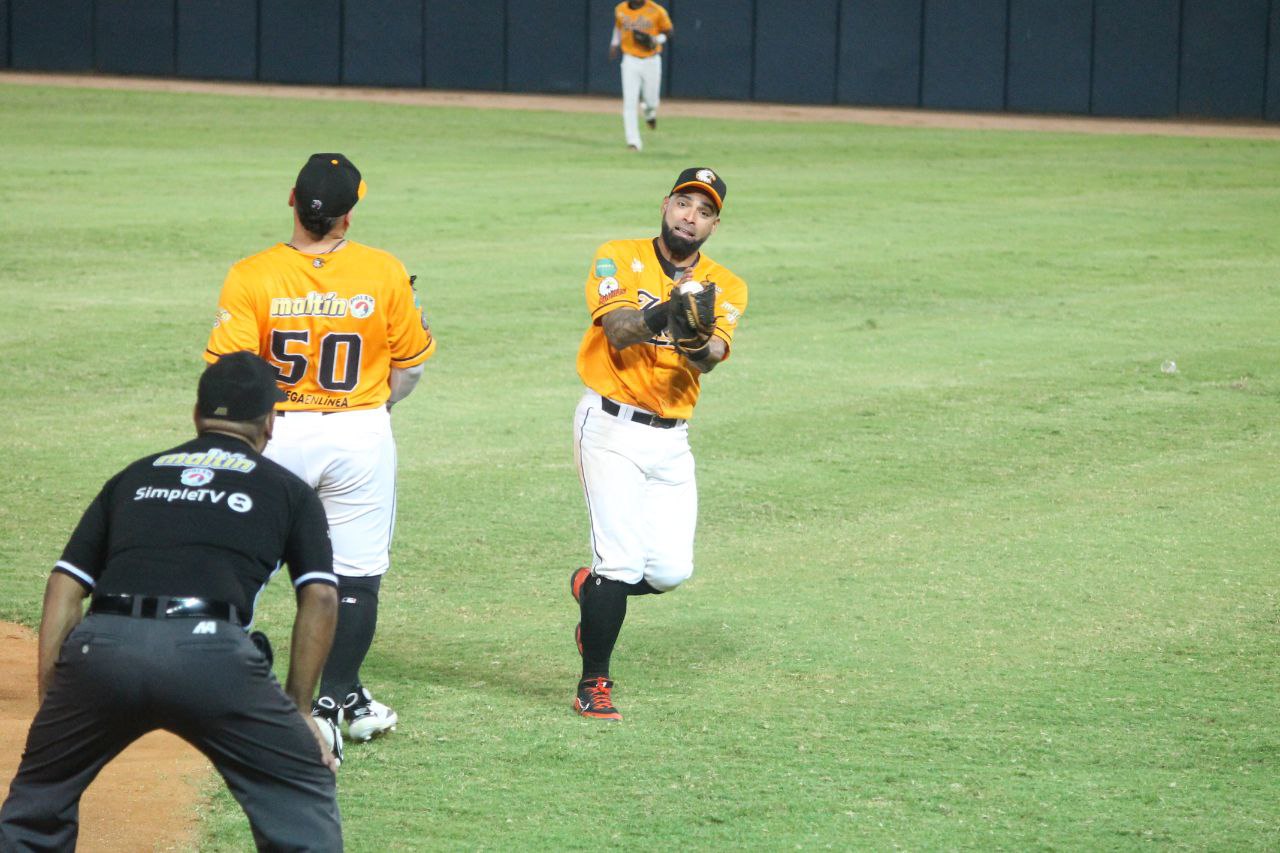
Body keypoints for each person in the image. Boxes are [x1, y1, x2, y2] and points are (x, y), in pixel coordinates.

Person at [0, 352, 342, 852]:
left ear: (197, 414)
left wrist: (57, 695)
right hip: (213, 660)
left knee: (38, 799)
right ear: (270, 421)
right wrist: (300, 710)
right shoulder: (288, 490)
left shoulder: (133, 476)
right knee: (299, 787)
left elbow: (65, 585)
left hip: (105, 651)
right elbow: (322, 597)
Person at [203, 153, 436, 748]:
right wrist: (375, 408)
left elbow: (229, 374)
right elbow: (409, 367)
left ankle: (221, 691)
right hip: (358, 432)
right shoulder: (383, 272)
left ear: (291, 199)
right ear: (348, 216)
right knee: (354, 577)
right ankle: (332, 704)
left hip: (273, 435)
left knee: (242, 565)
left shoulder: (251, 274)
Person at [570, 167, 748, 719]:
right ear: (666, 205)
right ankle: (593, 682)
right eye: (684, 203)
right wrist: (668, 311)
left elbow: (711, 359)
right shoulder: (616, 255)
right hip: (610, 426)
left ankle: (593, 591)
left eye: (704, 210)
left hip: (672, 438)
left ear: (715, 225)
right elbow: (619, 331)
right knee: (620, 561)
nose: (690, 216)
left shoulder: (728, 284)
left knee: (669, 571)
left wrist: (698, 340)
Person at [609, 0, 673, 151]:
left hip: (651, 60)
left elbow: (669, 31)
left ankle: (649, 111)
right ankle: (633, 142)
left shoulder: (656, 10)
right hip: (630, 60)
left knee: (651, 101)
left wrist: (656, 39)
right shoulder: (620, 9)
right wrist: (614, 43)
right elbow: (618, 27)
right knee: (629, 102)